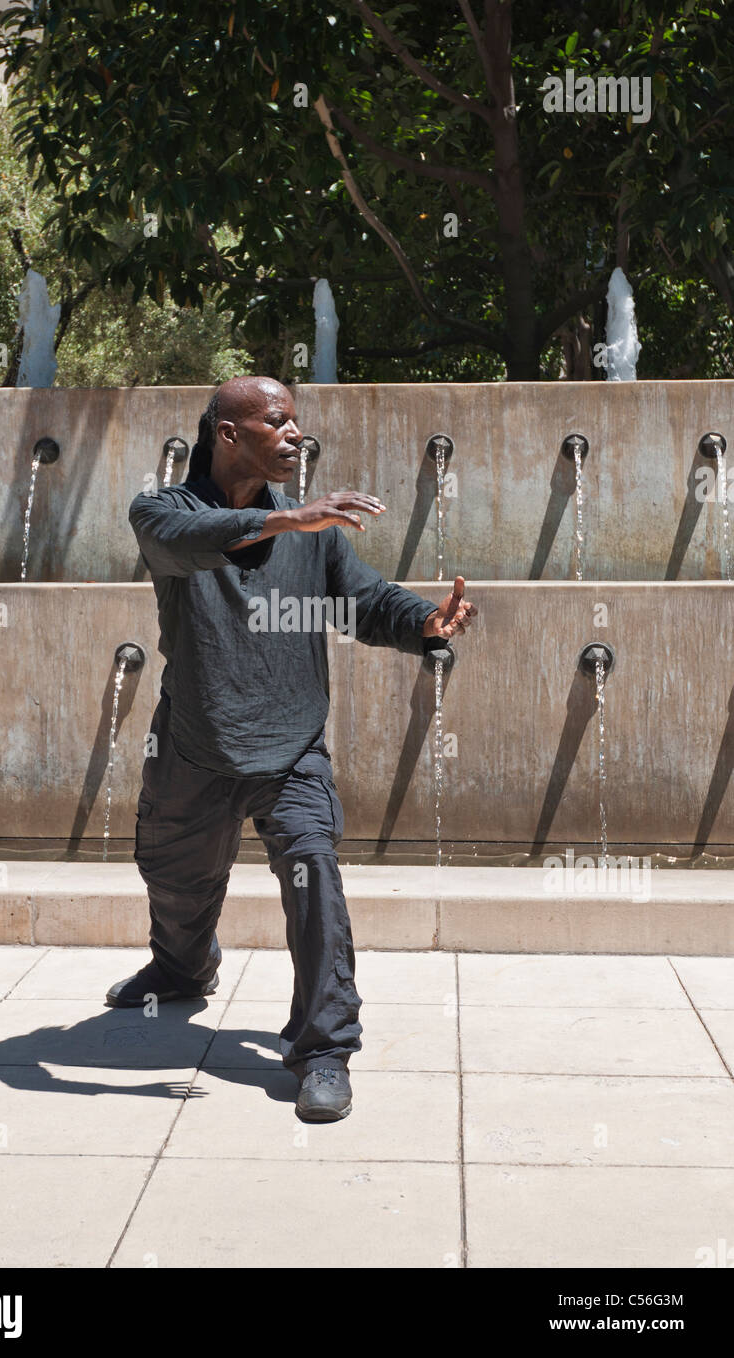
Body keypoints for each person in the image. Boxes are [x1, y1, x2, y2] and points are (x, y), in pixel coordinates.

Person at [106, 375, 477, 1122]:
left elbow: (367, 602)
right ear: (228, 434)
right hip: (195, 742)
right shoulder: (164, 511)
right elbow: (182, 544)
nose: (293, 434)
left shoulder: (311, 532)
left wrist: (427, 624)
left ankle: (324, 1049)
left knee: (314, 872)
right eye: (277, 422)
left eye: (296, 423)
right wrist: (285, 524)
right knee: (173, 879)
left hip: (290, 744)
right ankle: (183, 967)